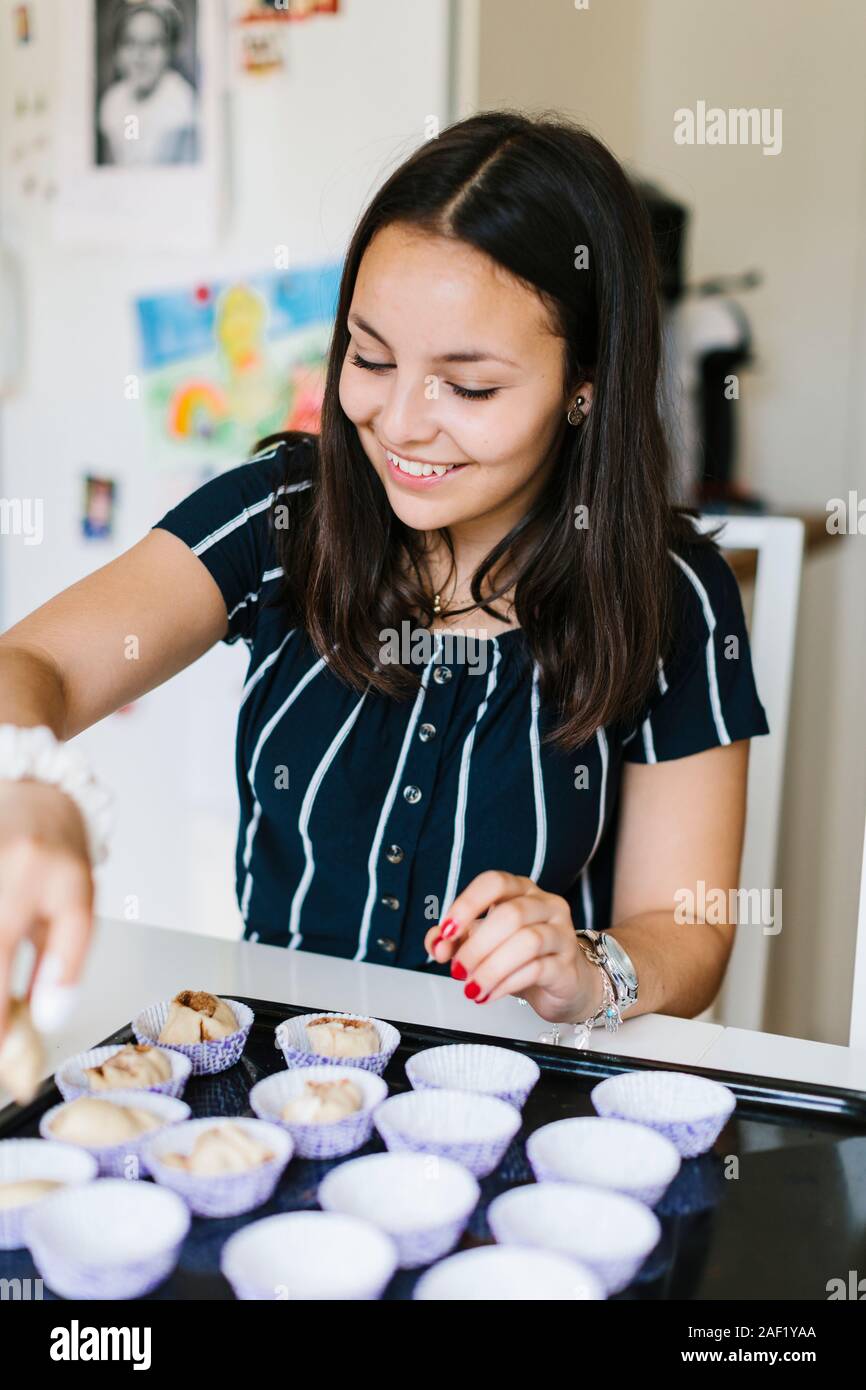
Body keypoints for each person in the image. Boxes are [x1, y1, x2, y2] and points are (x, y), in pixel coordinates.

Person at [0, 112, 769, 1045]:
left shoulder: (673, 597)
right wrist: (27, 779)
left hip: (511, 1097)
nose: (398, 421)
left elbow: (686, 932)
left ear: (586, 385)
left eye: (469, 387)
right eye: (369, 357)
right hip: (276, 1078)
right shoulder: (287, 512)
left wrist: (587, 966)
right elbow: (38, 660)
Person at [97, 0, 197, 167]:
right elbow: (119, 162)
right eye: (130, 43)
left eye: (152, 44)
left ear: (170, 49)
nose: (140, 55)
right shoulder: (114, 101)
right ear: (117, 51)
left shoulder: (179, 98)